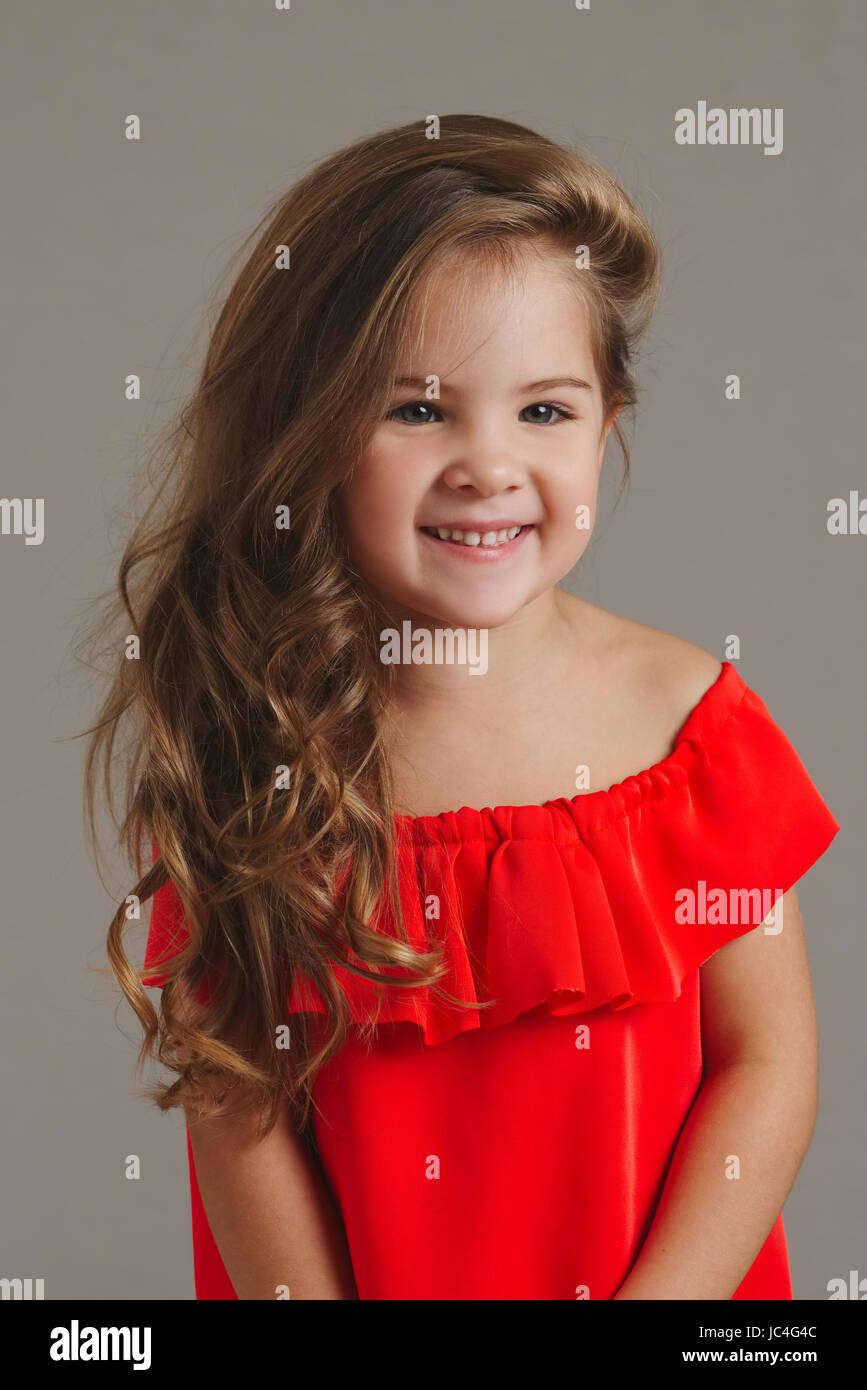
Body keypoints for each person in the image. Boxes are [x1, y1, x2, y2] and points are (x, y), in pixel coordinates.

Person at [88, 114, 839, 1300]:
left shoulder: (691, 727)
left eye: (544, 411)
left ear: (608, 428)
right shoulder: (260, 752)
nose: (488, 464)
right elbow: (240, 1116)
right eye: (419, 410)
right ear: (313, 435)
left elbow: (771, 1060)